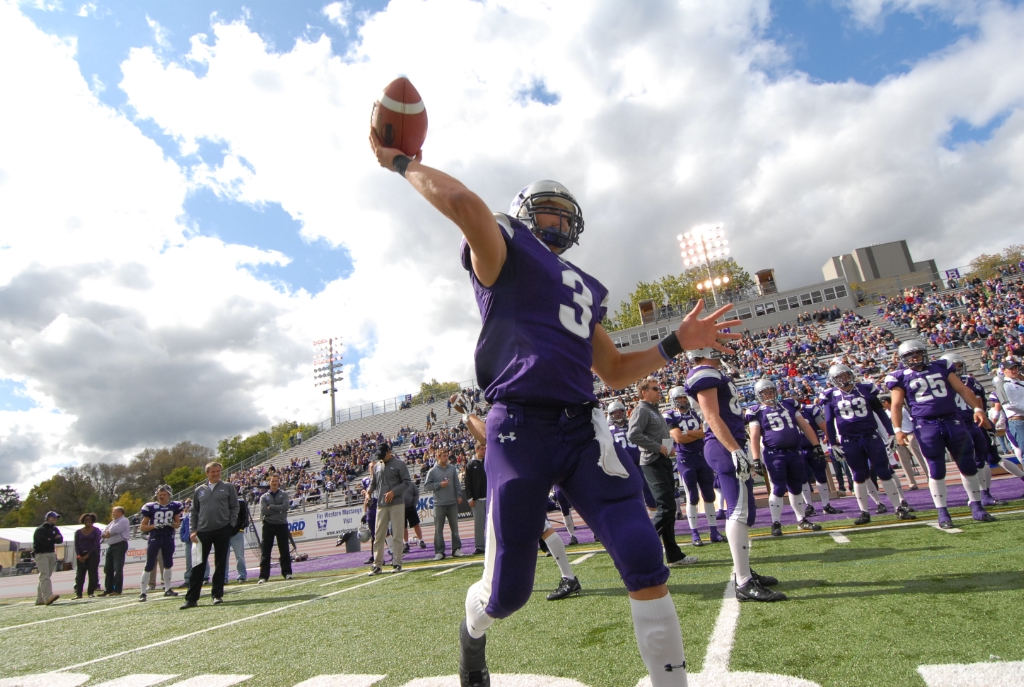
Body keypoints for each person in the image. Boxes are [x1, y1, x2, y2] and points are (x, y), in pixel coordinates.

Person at [372, 130, 740, 686]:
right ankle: (472, 636)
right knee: (507, 594)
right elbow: (467, 206)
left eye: (566, 217)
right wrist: (400, 162)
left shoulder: (584, 285)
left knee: (645, 559)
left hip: (584, 429)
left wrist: (674, 345)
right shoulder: (505, 250)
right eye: (547, 211)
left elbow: (613, 370)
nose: (558, 223)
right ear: (523, 214)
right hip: (520, 428)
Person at [685, 349, 786, 603]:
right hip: (723, 445)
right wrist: (734, 449)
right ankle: (743, 581)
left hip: (728, 443)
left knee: (745, 511)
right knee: (738, 512)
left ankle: (744, 570)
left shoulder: (714, 372)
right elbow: (711, 415)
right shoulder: (704, 372)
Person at [886, 340, 993, 529]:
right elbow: (896, 404)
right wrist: (897, 429)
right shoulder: (899, 376)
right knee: (936, 468)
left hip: (952, 419)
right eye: (911, 356)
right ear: (903, 359)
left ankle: (976, 506)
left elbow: (962, 389)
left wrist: (978, 408)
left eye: (918, 354)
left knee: (967, 463)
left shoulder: (941, 366)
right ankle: (942, 511)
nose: (915, 358)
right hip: (926, 424)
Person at [820, 363, 914, 525]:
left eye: (845, 375)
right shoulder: (830, 395)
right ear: (833, 380)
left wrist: (891, 433)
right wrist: (833, 443)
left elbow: (881, 414)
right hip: (849, 439)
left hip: (870, 436)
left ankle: (899, 507)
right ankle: (864, 511)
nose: (843, 379)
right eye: (839, 377)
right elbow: (829, 422)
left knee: (884, 471)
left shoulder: (865, 389)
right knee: (858, 475)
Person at [628, 377, 695, 567]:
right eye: (655, 388)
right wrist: (658, 447)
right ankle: (639, 546)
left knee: (669, 508)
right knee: (666, 508)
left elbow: (655, 434)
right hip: (652, 462)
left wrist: (667, 446)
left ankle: (674, 556)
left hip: (662, 460)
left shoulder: (653, 410)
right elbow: (633, 434)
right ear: (644, 392)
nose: (660, 391)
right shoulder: (641, 409)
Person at [745, 379, 823, 537]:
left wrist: (816, 445)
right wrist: (755, 458)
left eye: (771, 391)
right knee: (778, 487)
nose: (769, 395)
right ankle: (776, 522)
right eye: (765, 393)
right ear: (759, 395)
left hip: (795, 451)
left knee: (796, 487)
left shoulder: (789, 404)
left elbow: (804, 426)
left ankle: (801, 520)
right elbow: (754, 436)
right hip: (774, 454)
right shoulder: (756, 411)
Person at [664, 387, 723, 546]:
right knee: (692, 496)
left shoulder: (697, 412)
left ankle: (714, 531)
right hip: (685, 458)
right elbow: (678, 438)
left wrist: (688, 432)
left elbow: (707, 431)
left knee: (709, 494)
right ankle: (695, 533)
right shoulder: (669, 415)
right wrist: (695, 433)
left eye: (685, 397)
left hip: (702, 456)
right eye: (680, 398)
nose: (683, 400)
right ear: (674, 400)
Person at [180, 462, 240, 609]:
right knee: (198, 565)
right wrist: (193, 530)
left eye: (218, 471)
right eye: (212, 472)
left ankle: (217, 595)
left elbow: (235, 506)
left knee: (220, 564)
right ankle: (192, 599)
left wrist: (230, 525)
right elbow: (194, 512)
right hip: (203, 532)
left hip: (222, 530)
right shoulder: (199, 490)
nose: (216, 474)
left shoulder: (228, 487)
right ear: (207, 473)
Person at [367, 443, 412, 575]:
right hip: (381, 504)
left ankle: (397, 563)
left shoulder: (399, 464)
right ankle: (377, 565)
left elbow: (406, 482)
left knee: (397, 534)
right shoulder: (377, 466)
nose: (381, 458)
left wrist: (393, 492)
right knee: (379, 535)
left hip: (397, 503)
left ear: (389, 452)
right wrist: (368, 493)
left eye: (383, 455)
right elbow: (373, 483)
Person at [607, 400, 656, 513]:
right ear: (611, 415)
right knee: (627, 493)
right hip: (622, 466)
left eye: (620, 412)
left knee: (647, 490)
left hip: (639, 463)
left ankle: (654, 520)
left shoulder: (633, 424)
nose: (618, 414)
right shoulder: (608, 430)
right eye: (615, 412)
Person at [138, 485, 183, 602]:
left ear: (169, 495)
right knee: (149, 563)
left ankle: (168, 588)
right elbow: (142, 527)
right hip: (155, 537)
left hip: (168, 536)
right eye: (160, 494)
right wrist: (154, 526)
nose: (162, 496)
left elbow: (177, 524)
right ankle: (142, 592)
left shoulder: (175, 506)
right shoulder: (150, 507)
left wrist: (170, 523)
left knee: (168, 562)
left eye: (164, 494)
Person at [424, 446, 464, 560]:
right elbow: (426, 487)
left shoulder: (452, 469)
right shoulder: (432, 471)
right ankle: (439, 552)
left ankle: (456, 549)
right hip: (439, 504)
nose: (446, 458)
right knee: (438, 529)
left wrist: (459, 495)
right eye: (444, 456)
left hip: (452, 503)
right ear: (438, 457)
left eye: (447, 456)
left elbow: (457, 483)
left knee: (455, 528)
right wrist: (439, 485)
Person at [258, 474, 292, 583]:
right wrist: (278, 509)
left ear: (279, 482)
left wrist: (271, 507)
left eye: (276, 481)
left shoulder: (284, 494)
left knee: (284, 550)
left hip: (282, 524)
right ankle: (263, 576)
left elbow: (285, 507)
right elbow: (264, 511)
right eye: (272, 481)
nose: (274, 483)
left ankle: (287, 573)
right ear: (270, 482)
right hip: (268, 524)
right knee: (266, 551)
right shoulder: (264, 497)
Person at [462, 434, 487, 555]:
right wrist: (470, 498)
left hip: (490, 498)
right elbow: (468, 482)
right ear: (477, 450)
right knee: (479, 524)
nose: (484, 451)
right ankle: (480, 546)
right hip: (477, 499)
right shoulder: (471, 464)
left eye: (485, 449)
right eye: (482, 449)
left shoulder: (488, 462)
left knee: (493, 523)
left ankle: (493, 544)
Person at [33, 511, 63, 606]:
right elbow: (45, 542)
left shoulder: (54, 529)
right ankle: (48, 596)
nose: (54, 519)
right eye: (52, 517)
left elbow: (60, 539)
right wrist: (53, 538)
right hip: (42, 554)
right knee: (44, 575)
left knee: (45, 576)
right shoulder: (40, 530)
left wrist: (51, 539)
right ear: (47, 517)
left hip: (51, 553)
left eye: (55, 517)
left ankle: (40, 598)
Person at [99, 506, 130, 596]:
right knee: (108, 568)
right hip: (111, 546)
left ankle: (117, 589)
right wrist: (107, 534)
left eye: (114, 511)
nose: (112, 513)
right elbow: (104, 532)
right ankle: (108, 589)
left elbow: (112, 531)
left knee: (118, 568)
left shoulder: (124, 520)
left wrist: (107, 533)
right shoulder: (113, 522)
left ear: (120, 512)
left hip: (120, 545)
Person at [223, 495, 252, 584]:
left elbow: (244, 518)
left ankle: (242, 575)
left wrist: (240, 529)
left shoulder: (240, 503)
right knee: (223, 557)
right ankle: (224, 577)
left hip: (236, 533)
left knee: (239, 556)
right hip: (224, 534)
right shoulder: (222, 503)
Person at [73, 513, 101, 599]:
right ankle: (79, 594)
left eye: (89, 520)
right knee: (80, 575)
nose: (87, 522)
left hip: (92, 555)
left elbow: (96, 544)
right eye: (85, 520)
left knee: (92, 574)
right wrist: (79, 555)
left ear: (92, 521)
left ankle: (91, 592)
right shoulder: (78, 532)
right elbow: (76, 545)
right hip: (81, 556)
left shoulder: (96, 531)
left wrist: (88, 555)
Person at [402, 476, 427, 554]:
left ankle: (421, 540)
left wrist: (414, 504)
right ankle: (405, 543)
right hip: (400, 509)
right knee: (403, 527)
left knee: (416, 525)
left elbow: (416, 494)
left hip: (410, 507)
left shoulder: (411, 484)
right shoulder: (396, 485)